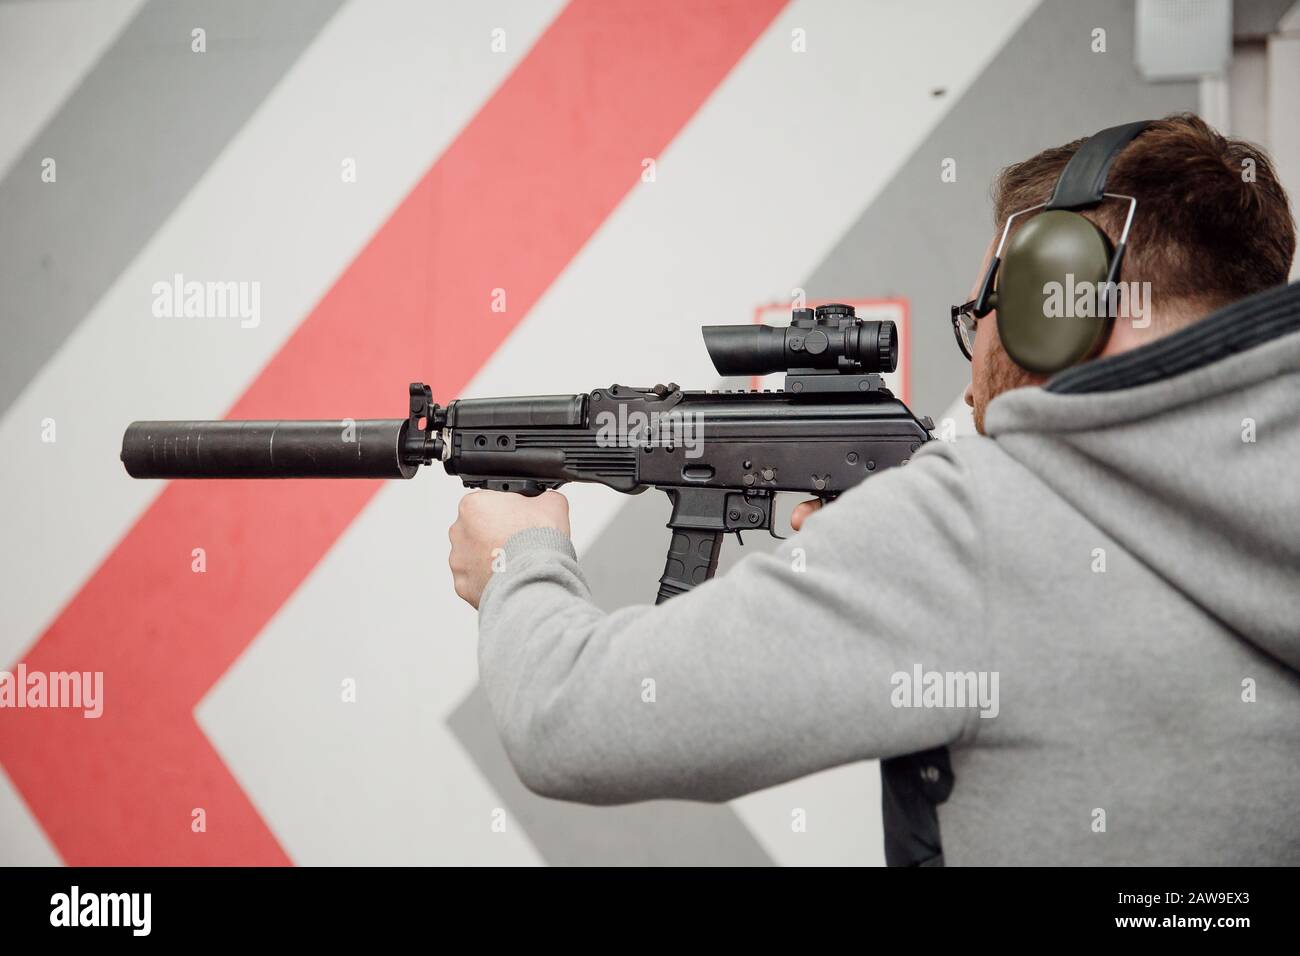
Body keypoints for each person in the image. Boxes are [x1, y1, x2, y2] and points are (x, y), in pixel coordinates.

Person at [446, 114, 1300, 865]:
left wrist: (517, 558)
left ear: (1059, 295)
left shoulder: (976, 528)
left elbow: (575, 724)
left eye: (984, 312)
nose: (972, 388)